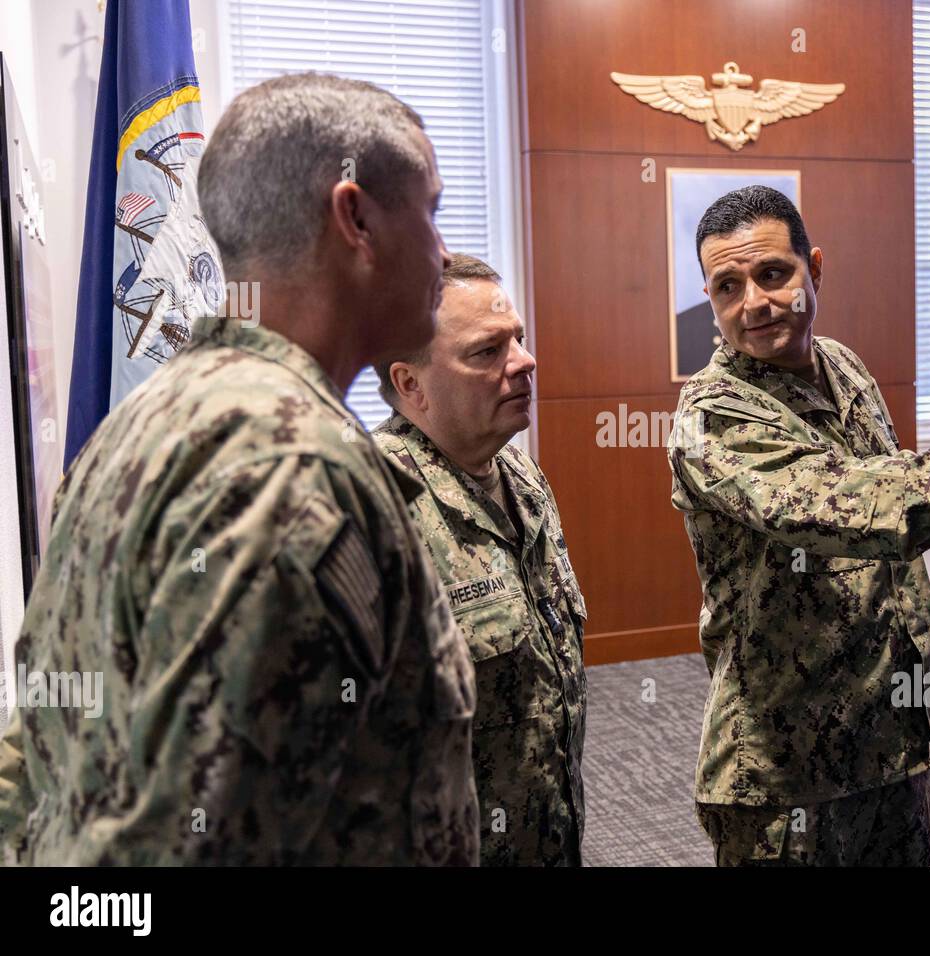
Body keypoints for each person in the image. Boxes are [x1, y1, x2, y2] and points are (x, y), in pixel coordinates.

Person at [0, 73, 478, 865]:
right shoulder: (291, 471)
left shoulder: (145, 422)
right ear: (355, 217)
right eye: (430, 211)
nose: (444, 249)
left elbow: (36, 750)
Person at [668, 185, 930, 866]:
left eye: (773, 274)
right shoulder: (712, 415)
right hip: (786, 773)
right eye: (726, 286)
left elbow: (894, 489)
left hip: (888, 736)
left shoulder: (842, 367)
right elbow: (841, 505)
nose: (753, 302)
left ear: (816, 268)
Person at [373, 254, 586, 866]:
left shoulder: (519, 473)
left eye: (517, 339)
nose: (524, 361)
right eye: (486, 352)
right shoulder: (372, 508)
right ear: (410, 384)